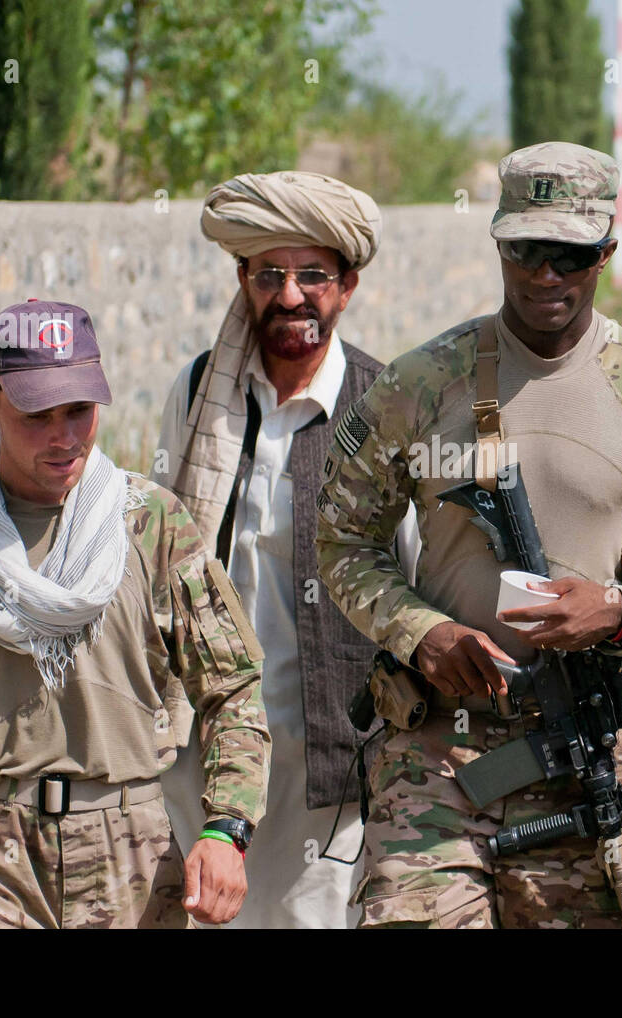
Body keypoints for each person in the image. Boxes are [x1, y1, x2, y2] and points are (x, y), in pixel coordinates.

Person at [314, 141, 622, 928]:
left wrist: (614, 610)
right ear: (500, 243)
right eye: (528, 250)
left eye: (570, 253)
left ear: (606, 250)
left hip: (587, 750)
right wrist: (422, 632)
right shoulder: (422, 384)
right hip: (437, 750)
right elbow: (342, 541)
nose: (548, 274)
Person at [0, 300, 270, 929]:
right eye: (38, 415)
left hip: (134, 858)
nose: (65, 437)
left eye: (80, 411)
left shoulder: (151, 526)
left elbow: (234, 689)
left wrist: (227, 827)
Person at [154, 171, 418, 928]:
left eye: (313, 276)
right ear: (243, 278)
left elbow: (413, 582)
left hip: (328, 763)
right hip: (201, 753)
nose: (292, 295)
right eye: (270, 275)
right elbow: (160, 543)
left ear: (349, 285)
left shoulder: (382, 404)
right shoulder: (203, 392)